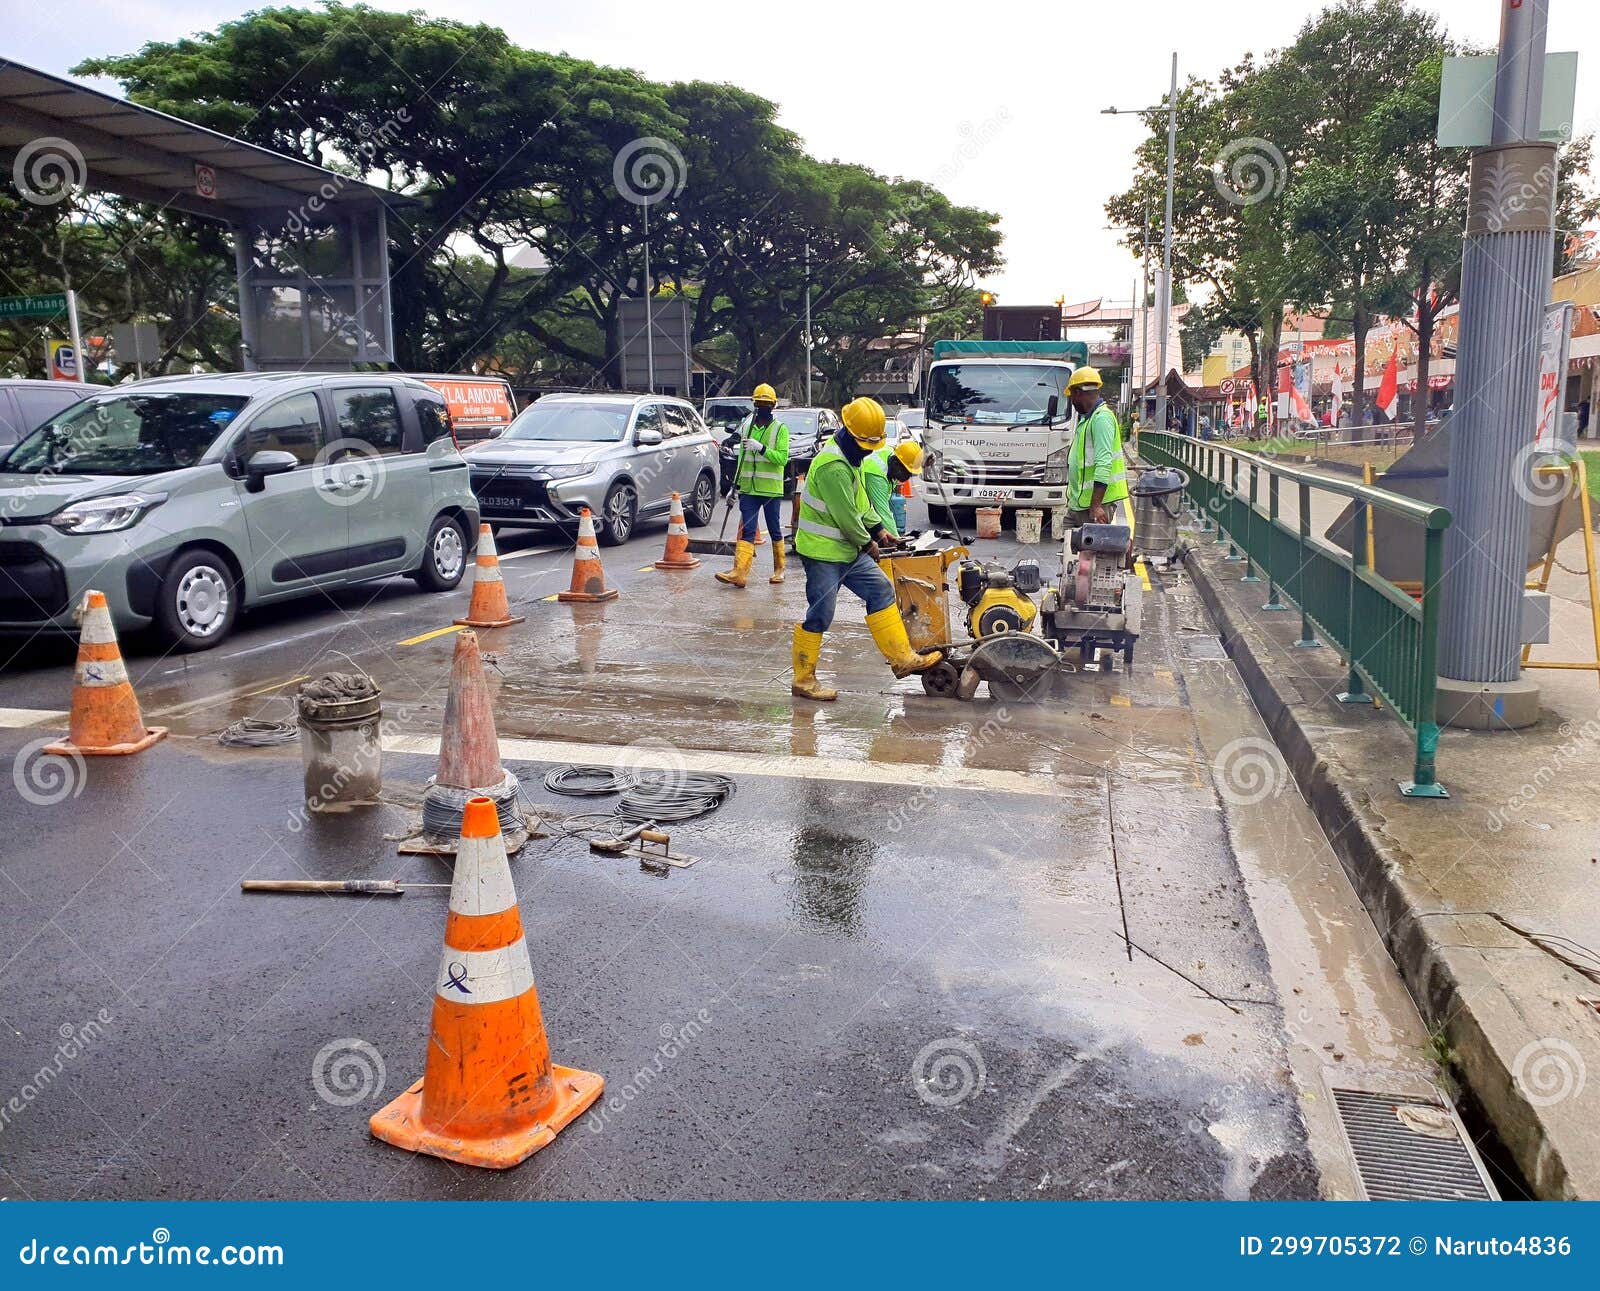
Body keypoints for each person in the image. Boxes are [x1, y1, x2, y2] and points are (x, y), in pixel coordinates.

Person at [791, 397, 941, 702]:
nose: (868, 450)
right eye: (865, 444)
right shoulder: (833, 466)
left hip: (847, 550)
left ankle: (902, 659)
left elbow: (860, 504)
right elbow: (846, 516)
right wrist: (867, 543)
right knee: (821, 614)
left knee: (881, 590)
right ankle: (803, 680)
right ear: (849, 433)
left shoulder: (852, 459)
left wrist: (880, 530)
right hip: (822, 553)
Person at [715, 383, 789, 588]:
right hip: (749, 489)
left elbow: (782, 459)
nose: (762, 408)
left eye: (766, 404)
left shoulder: (780, 429)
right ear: (754, 405)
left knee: (774, 529)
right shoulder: (747, 427)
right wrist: (734, 487)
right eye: (759, 404)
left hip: (771, 490)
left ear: (773, 406)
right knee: (748, 530)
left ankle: (779, 569)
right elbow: (742, 460)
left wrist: (761, 448)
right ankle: (740, 573)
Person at [1064, 367, 1129, 526]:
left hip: (1094, 506)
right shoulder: (1087, 419)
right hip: (1079, 504)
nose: (1071, 401)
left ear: (1078, 393)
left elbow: (1104, 463)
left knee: (1094, 542)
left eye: (1071, 396)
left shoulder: (1101, 419)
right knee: (1068, 537)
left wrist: (1096, 505)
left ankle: (1122, 544)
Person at [861, 440, 924, 538]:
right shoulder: (876, 475)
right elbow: (883, 512)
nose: (907, 476)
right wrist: (896, 540)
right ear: (896, 463)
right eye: (906, 471)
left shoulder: (892, 459)